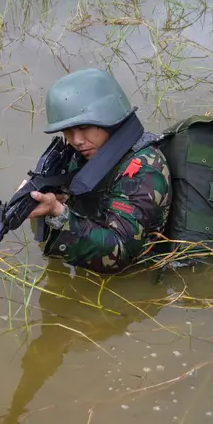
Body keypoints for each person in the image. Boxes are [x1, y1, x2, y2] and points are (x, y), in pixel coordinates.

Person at [27, 69, 172, 272]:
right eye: (68, 130)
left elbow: (120, 253)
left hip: (129, 281)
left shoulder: (144, 169)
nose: (77, 140)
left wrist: (59, 213)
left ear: (111, 120)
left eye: (85, 127)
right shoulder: (85, 154)